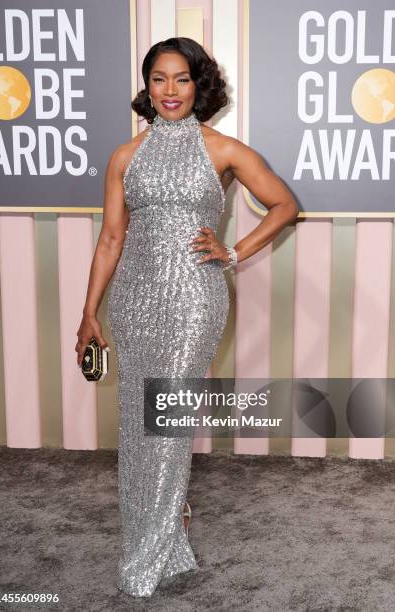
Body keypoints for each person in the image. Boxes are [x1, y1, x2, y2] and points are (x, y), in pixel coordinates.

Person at [75, 37, 298, 598]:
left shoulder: (221, 149)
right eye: (158, 79)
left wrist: (234, 252)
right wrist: (88, 313)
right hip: (133, 300)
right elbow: (110, 239)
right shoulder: (125, 156)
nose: (169, 91)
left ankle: (151, 548)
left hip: (196, 299)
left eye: (181, 79)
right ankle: (169, 525)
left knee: (167, 418)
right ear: (146, 86)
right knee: (140, 418)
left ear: (199, 84)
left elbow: (285, 204)